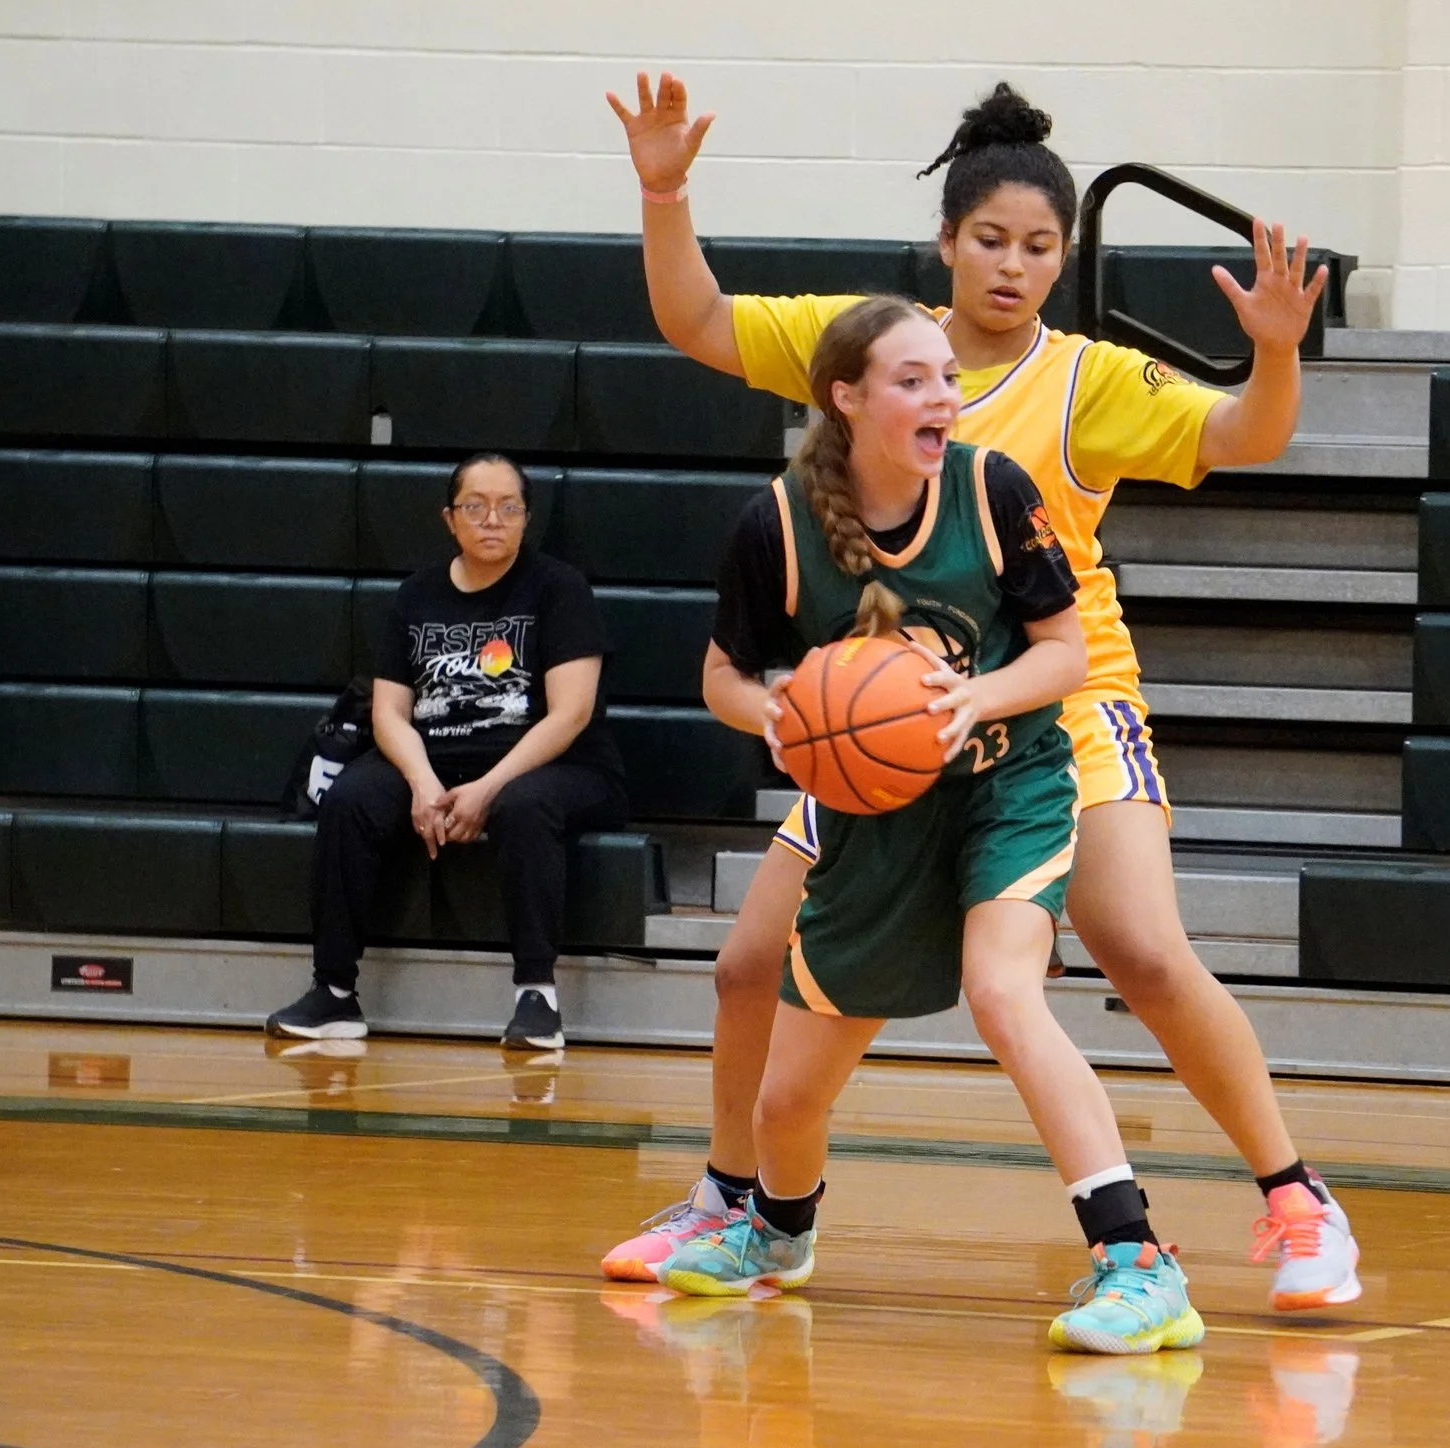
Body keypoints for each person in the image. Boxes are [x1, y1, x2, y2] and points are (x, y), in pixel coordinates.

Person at [601, 75, 1361, 1312]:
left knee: (1140, 948)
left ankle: (1293, 1193)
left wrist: (1275, 351)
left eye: (1041, 247)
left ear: (1065, 259)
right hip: (891, 709)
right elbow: (694, 318)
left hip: (1057, 692)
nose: (1014, 267)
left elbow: (1246, 434)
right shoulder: (875, 346)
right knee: (747, 965)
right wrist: (664, 190)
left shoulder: (1086, 380)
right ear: (946, 244)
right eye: (991, 241)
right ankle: (729, 1203)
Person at [662, 295, 1203, 1355]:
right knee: (787, 1099)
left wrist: (974, 698)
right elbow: (720, 672)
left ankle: (1137, 1259)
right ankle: (776, 1229)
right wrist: (769, 711)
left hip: (1011, 785)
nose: (943, 397)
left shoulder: (994, 491)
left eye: (949, 378)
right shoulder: (775, 523)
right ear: (846, 397)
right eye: (914, 380)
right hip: (874, 818)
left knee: (1003, 990)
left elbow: (1065, 652)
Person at [264, 454, 629, 1053]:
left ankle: (537, 995)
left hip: (556, 765)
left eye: (509, 507)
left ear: (526, 518)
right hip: (437, 758)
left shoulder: (559, 588)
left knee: (523, 805)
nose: (493, 519)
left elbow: (571, 714)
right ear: (450, 518)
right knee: (351, 798)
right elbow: (388, 712)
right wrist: (421, 782)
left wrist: (487, 788)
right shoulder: (417, 595)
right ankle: (333, 992)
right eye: (476, 507)